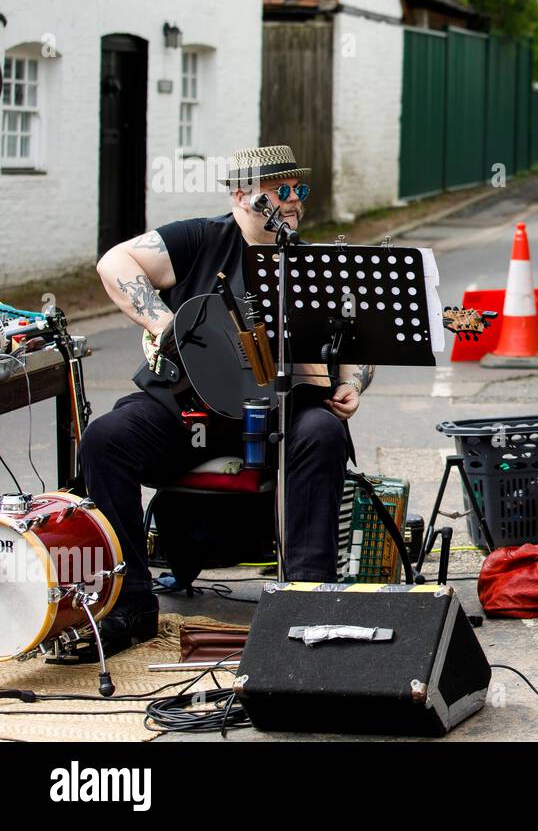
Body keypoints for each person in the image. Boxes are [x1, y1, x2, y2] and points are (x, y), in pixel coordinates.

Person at [79, 145, 374, 655]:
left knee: (323, 432)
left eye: (298, 191)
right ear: (241, 195)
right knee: (106, 439)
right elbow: (114, 261)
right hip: (188, 408)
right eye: (278, 191)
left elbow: (353, 341)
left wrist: (353, 383)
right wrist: (164, 323)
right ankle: (129, 604)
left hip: (281, 410)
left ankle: (304, 600)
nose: (292, 202)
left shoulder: (309, 261)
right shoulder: (198, 239)